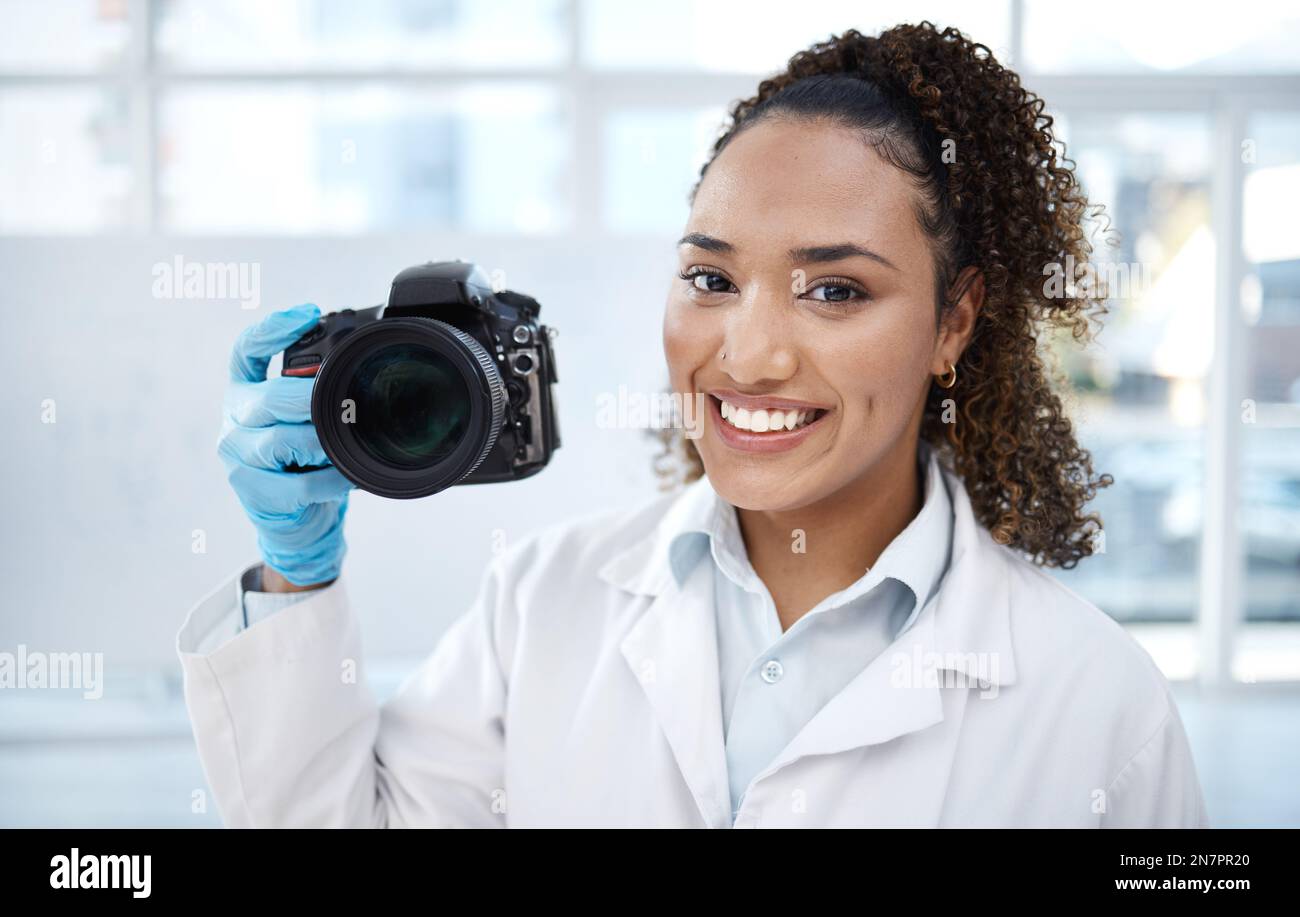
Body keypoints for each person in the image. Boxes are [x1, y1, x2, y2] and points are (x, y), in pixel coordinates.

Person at [177, 22, 1209, 828]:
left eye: (835, 291)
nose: (748, 354)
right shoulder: (543, 603)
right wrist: (294, 575)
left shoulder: (1095, 701)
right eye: (710, 277)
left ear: (954, 320)